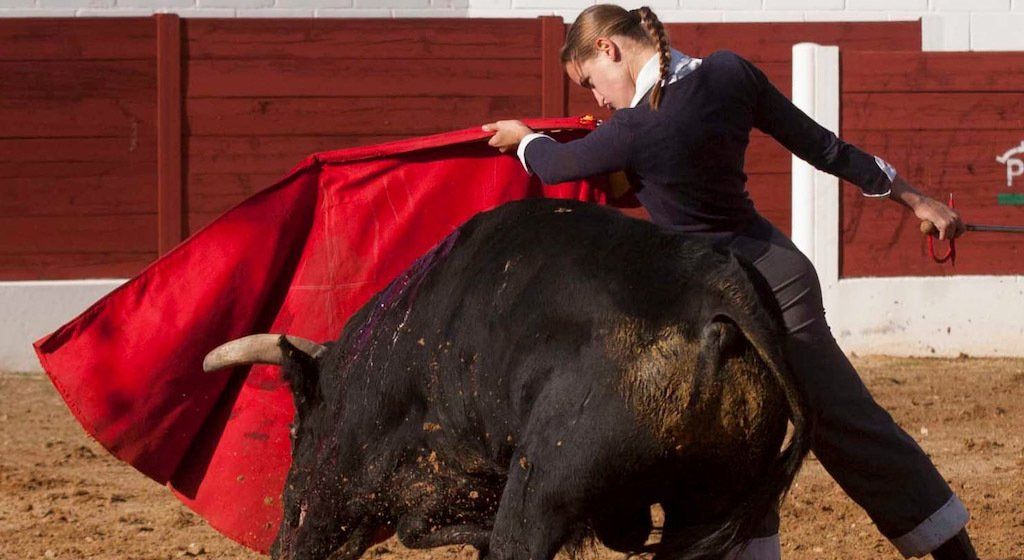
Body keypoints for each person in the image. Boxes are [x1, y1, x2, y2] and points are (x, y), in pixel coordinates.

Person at [482, 4, 976, 560]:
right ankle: (950, 547)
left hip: (710, 298)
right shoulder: (729, 73)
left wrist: (524, 138)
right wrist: (917, 200)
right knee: (821, 420)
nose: (597, 99)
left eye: (590, 83)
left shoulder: (634, 128)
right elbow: (824, 147)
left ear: (608, 49)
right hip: (772, 275)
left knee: (760, 430)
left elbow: (553, 167)